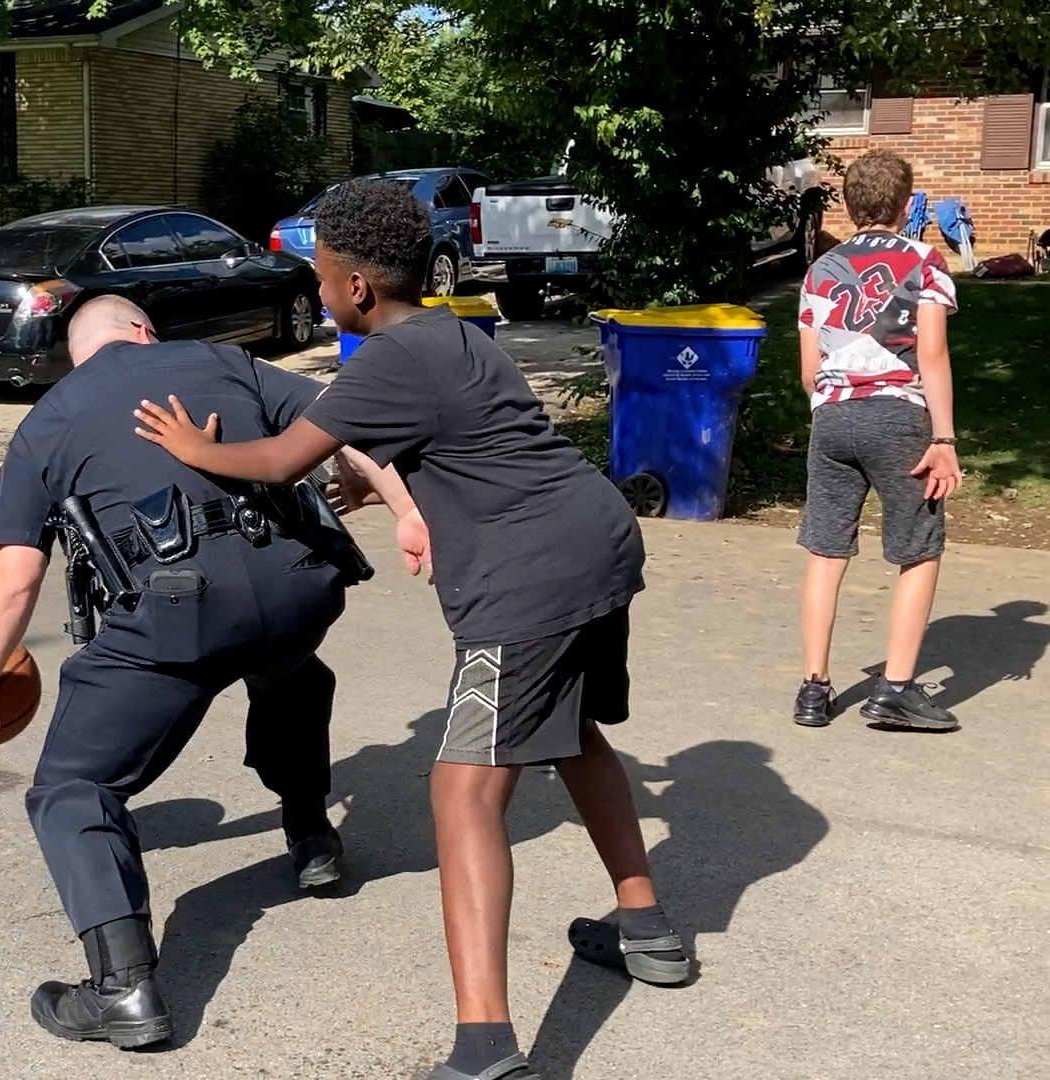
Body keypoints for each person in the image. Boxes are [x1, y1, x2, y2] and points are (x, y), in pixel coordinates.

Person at [132, 180, 690, 1080]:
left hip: (529, 580)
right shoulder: (454, 335)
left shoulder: (385, 360)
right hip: (597, 541)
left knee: (463, 794)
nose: (315, 290)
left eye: (319, 276)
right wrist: (380, 484)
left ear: (356, 287)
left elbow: (279, 461)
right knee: (573, 733)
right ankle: (647, 926)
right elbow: (463, 443)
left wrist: (193, 449)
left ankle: (484, 1048)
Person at [0, 294, 392, 1050]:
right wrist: (385, 496)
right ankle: (312, 838)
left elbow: (15, 580)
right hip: (304, 590)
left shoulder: (47, 420)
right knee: (292, 677)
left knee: (74, 787)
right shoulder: (225, 361)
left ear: (78, 356)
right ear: (145, 333)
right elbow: (353, 414)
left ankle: (124, 991)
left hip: (181, 620)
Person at [792, 149, 963, 732]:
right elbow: (933, 355)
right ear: (907, 203)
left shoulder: (821, 269)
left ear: (848, 204)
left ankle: (813, 688)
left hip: (833, 419)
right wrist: (943, 436)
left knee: (825, 550)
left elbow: (809, 371)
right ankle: (895, 688)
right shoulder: (924, 261)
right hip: (898, 416)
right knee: (919, 548)